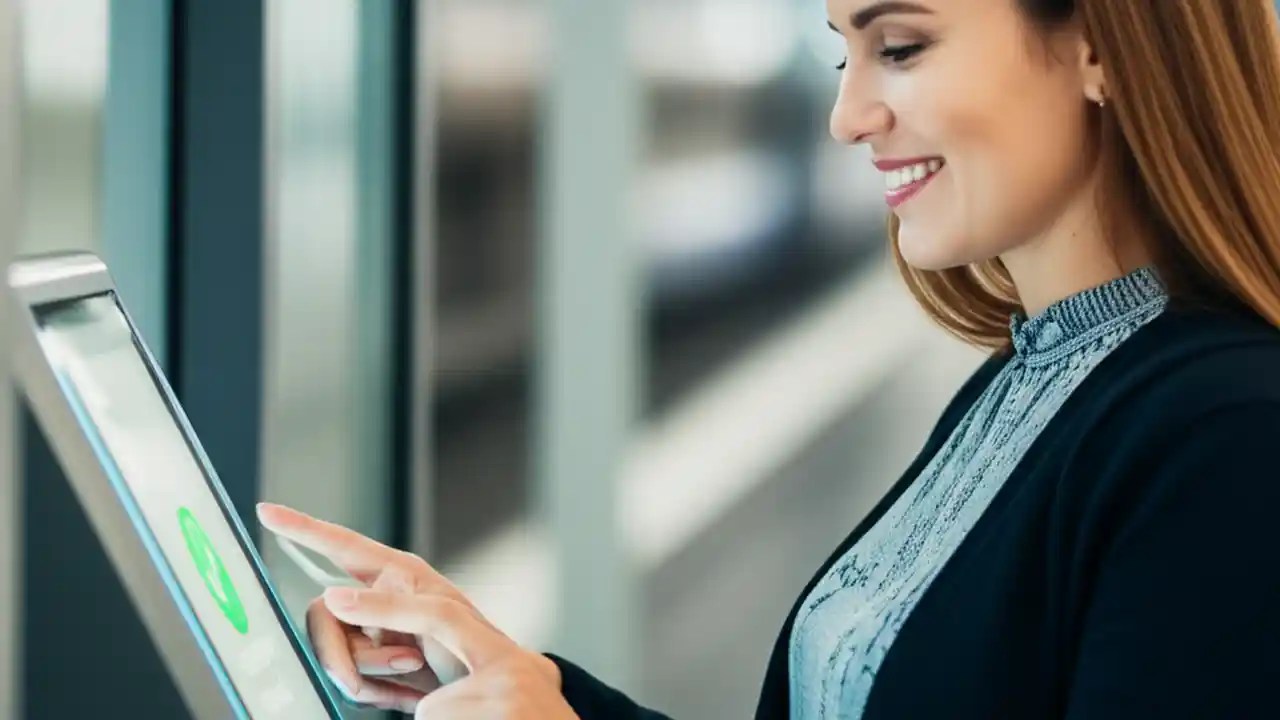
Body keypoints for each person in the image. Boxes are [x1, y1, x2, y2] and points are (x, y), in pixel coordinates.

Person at [258, 0, 1280, 716]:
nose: (848, 115)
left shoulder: (1229, 437)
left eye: (902, 46)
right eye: (843, 55)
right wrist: (505, 675)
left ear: (1098, 42)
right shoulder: (1033, 381)